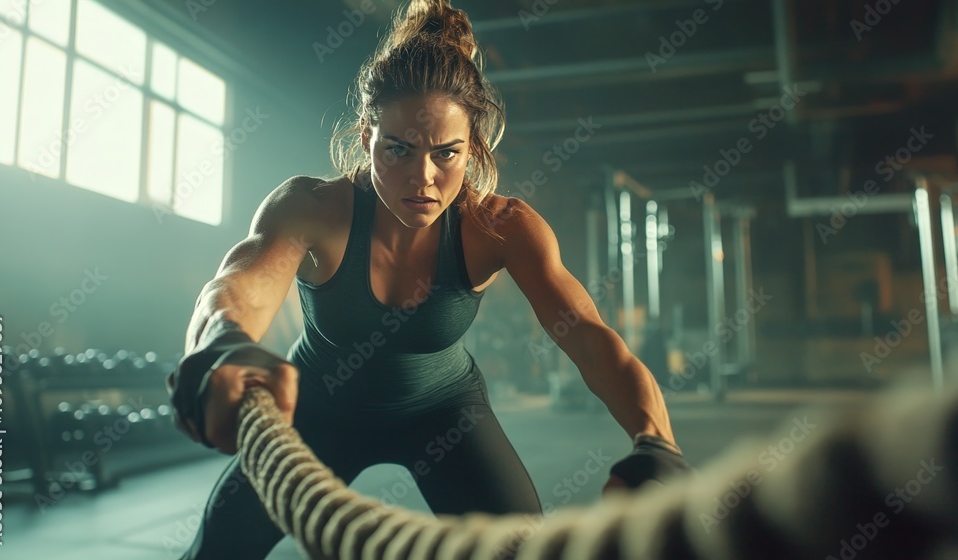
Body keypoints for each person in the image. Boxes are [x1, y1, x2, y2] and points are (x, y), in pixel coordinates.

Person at [167, 1, 686, 558]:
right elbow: (235, 287)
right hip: (316, 408)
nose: (424, 178)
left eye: (447, 154)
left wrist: (657, 440)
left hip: (446, 413)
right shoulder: (312, 208)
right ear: (366, 135)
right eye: (399, 149)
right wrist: (224, 344)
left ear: (473, 148)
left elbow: (586, 333)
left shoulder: (501, 228)